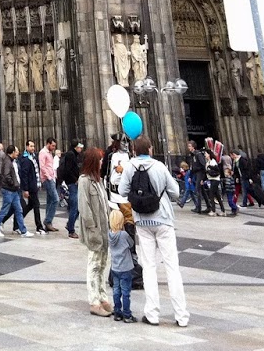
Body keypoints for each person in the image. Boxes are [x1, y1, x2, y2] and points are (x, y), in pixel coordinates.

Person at [118, 134, 189, 328]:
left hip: (142, 221)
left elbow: (122, 191)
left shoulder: (130, 166)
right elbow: (175, 191)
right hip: (163, 219)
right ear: (150, 149)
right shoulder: (159, 166)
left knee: (148, 267)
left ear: (134, 150)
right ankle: (181, 316)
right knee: (172, 267)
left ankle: (152, 314)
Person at [77, 147, 111, 315]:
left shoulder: (98, 180)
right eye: (99, 159)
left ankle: (103, 297)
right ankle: (93, 301)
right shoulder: (84, 181)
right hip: (94, 230)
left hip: (104, 229)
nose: (102, 162)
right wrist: (93, 228)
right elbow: (84, 208)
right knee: (94, 265)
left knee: (103, 264)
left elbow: (105, 205)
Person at [0, 146, 31, 236]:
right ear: (12, 152)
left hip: (13, 190)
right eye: (16, 152)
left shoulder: (10, 161)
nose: (18, 153)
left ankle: (23, 231)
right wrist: (13, 183)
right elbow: (6, 175)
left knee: (19, 210)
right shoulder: (7, 161)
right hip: (8, 190)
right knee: (4, 210)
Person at [108, 208, 136, 323]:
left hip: (115, 267)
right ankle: (127, 314)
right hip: (125, 268)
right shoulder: (124, 235)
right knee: (125, 292)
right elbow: (131, 244)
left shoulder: (109, 235)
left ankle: (117, 312)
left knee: (116, 290)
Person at [19, 142, 44, 233]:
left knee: (30, 205)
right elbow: (24, 175)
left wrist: (39, 184)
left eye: (34, 146)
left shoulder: (33, 157)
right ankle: (39, 227)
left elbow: (36, 172)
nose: (33, 148)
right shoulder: (25, 159)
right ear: (26, 147)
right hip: (30, 187)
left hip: (34, 185)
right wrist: (25, 189)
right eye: (31, 146)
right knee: (36, 205)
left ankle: (17, 221)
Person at [59, 140, 83, 237]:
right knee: (75, 207)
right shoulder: (71, 155)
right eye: (79, 147)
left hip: (73, 182)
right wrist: (74, 179)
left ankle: (70, 224)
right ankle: (71, 230)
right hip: (72, 183)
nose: (81, 149)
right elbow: (68, 170)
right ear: (75, 147)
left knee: (77, 207)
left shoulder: (73, 154)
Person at [38, 138, 58, 231]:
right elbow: (42, 166)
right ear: (48, 144)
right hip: (47, 179)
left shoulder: (49, 153)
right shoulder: (43, 152)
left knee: (50, 200)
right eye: (53, 145)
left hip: (51, 178)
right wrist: (49, 177)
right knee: (56, 199)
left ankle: (48, 223)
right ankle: (48, 220)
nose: (54, 147)